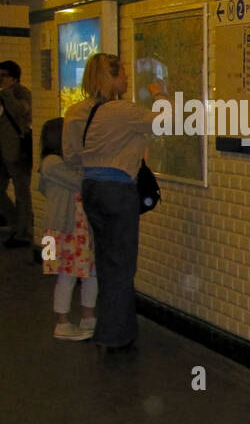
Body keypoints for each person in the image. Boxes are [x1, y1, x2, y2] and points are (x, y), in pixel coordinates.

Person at [63, 54, 163, 353]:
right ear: (112, 77)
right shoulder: (120, 110)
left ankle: (109, 326)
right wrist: (162, 94)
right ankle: (114, 335)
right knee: (122, 264)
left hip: (90, 188)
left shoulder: (76, 111)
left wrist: (96, 158)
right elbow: (161, 122)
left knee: (106, 263)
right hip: (117, 189)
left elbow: (71, 155)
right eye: (124, 75)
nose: (128, 80)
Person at [38, 118, 97, 340]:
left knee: (91, 272)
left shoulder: (60, 162)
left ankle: (88, 318)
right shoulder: (52, 163)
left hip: (78, 227)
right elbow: (81, 182)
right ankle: (62, 323)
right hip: (64, 228)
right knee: (67, 275)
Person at [0, 59, 34, 248]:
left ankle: (24, 231)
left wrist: (7, 92)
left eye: (3, 75)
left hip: (17, 150)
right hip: (3, 151)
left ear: (13, 78)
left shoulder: (21, 92)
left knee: (22, 192)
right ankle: (16, 221)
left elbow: (20, 111)